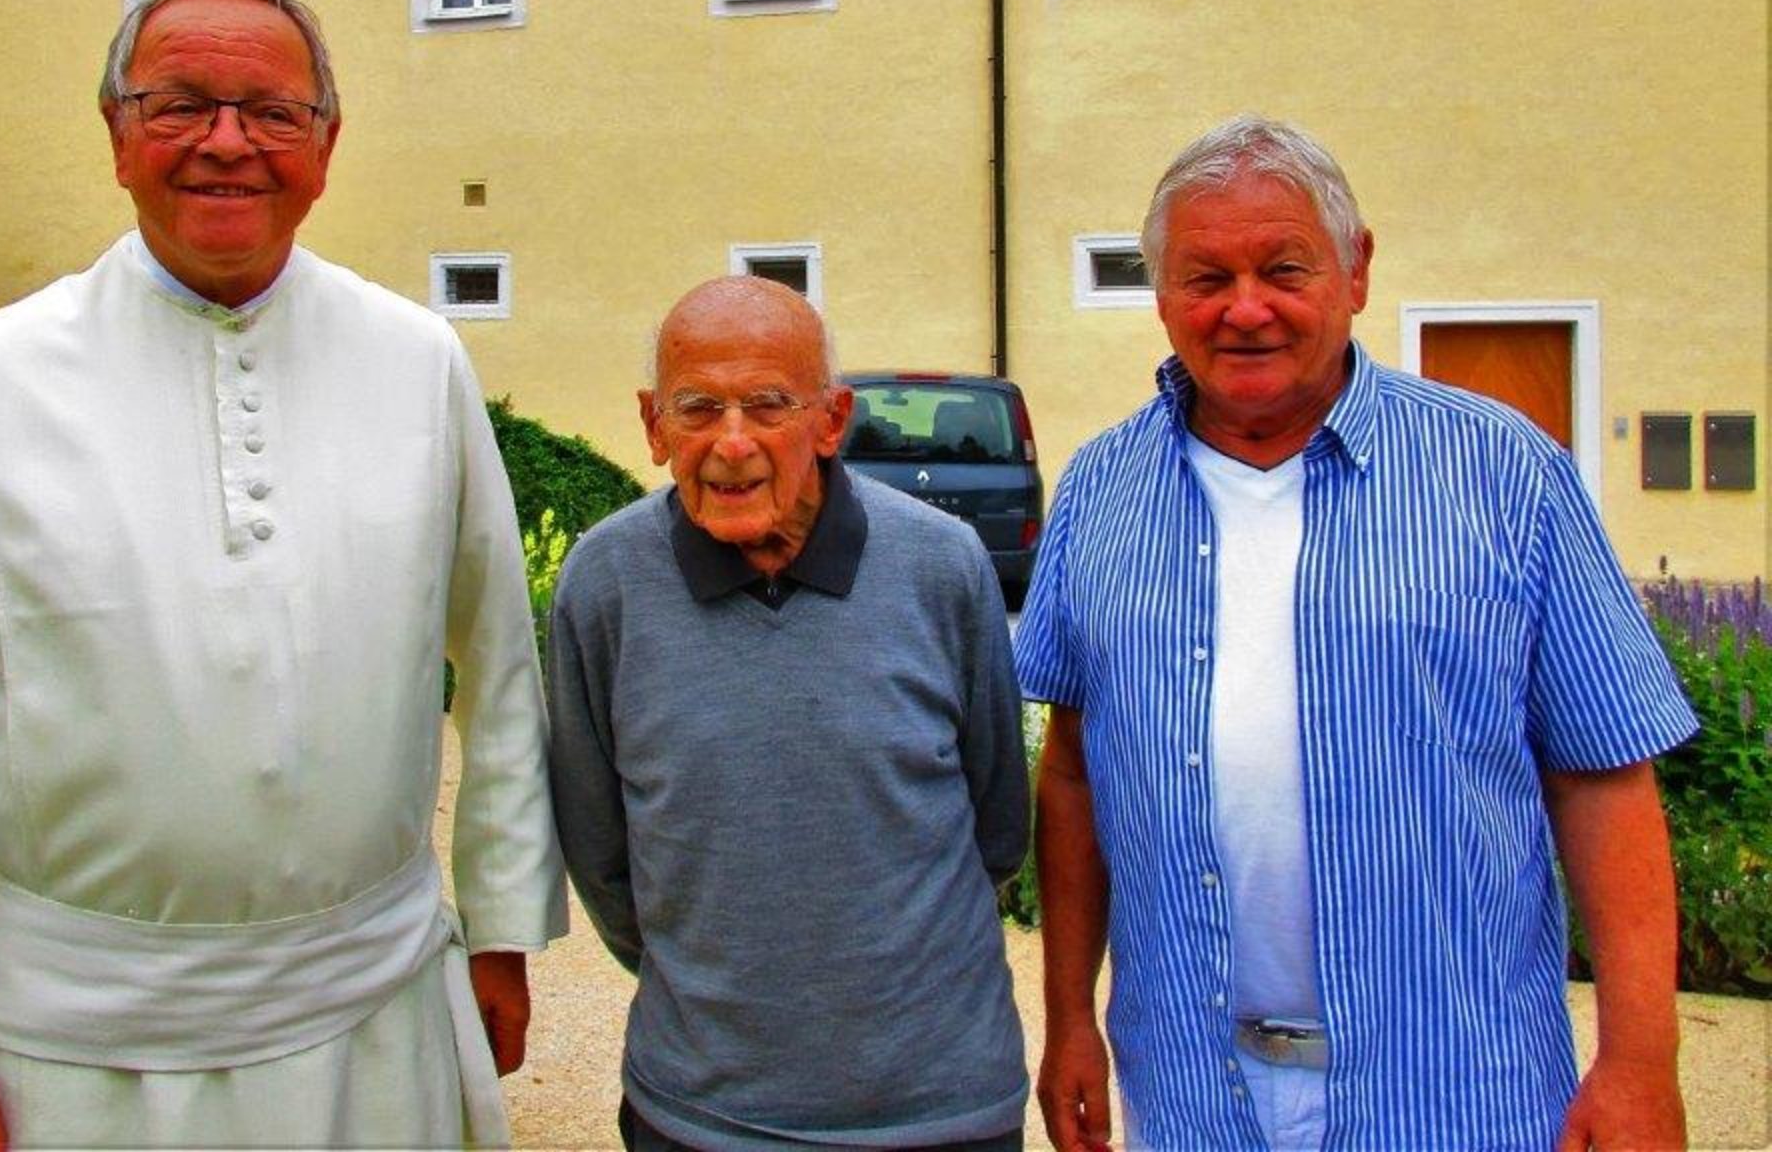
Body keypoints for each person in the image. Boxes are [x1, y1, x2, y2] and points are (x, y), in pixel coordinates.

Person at [0, 0, 567, 1149]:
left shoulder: (418, 361)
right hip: (78, 1058)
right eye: (180, 106)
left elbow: (501, 672)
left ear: (325, 143)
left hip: (378, 1021)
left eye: (271, 111)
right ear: (115, 134)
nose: (228, 145)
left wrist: (504, 926)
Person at [1015, 115, 1698, 1151]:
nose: (1244, 308)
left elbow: (1601, 779)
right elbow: (1070, 774)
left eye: (1282, 268)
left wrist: (1639, 1064)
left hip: (1457, 1093)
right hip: (1190, 1098)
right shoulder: (1100, 491)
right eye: (1204, 278)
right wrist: (1069, 1019)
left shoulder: (1503, 476)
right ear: (1160, 298)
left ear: (1355, 269)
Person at [548, 277, 1031, 1152]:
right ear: (655, 426)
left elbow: (996, 826)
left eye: (769, 405)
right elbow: (599, 850)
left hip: (943, 1112)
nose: (732, 444)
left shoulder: (942, 567)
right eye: (698, 409)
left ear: (832, 420)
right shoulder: (605, 582)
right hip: (700, 1117)